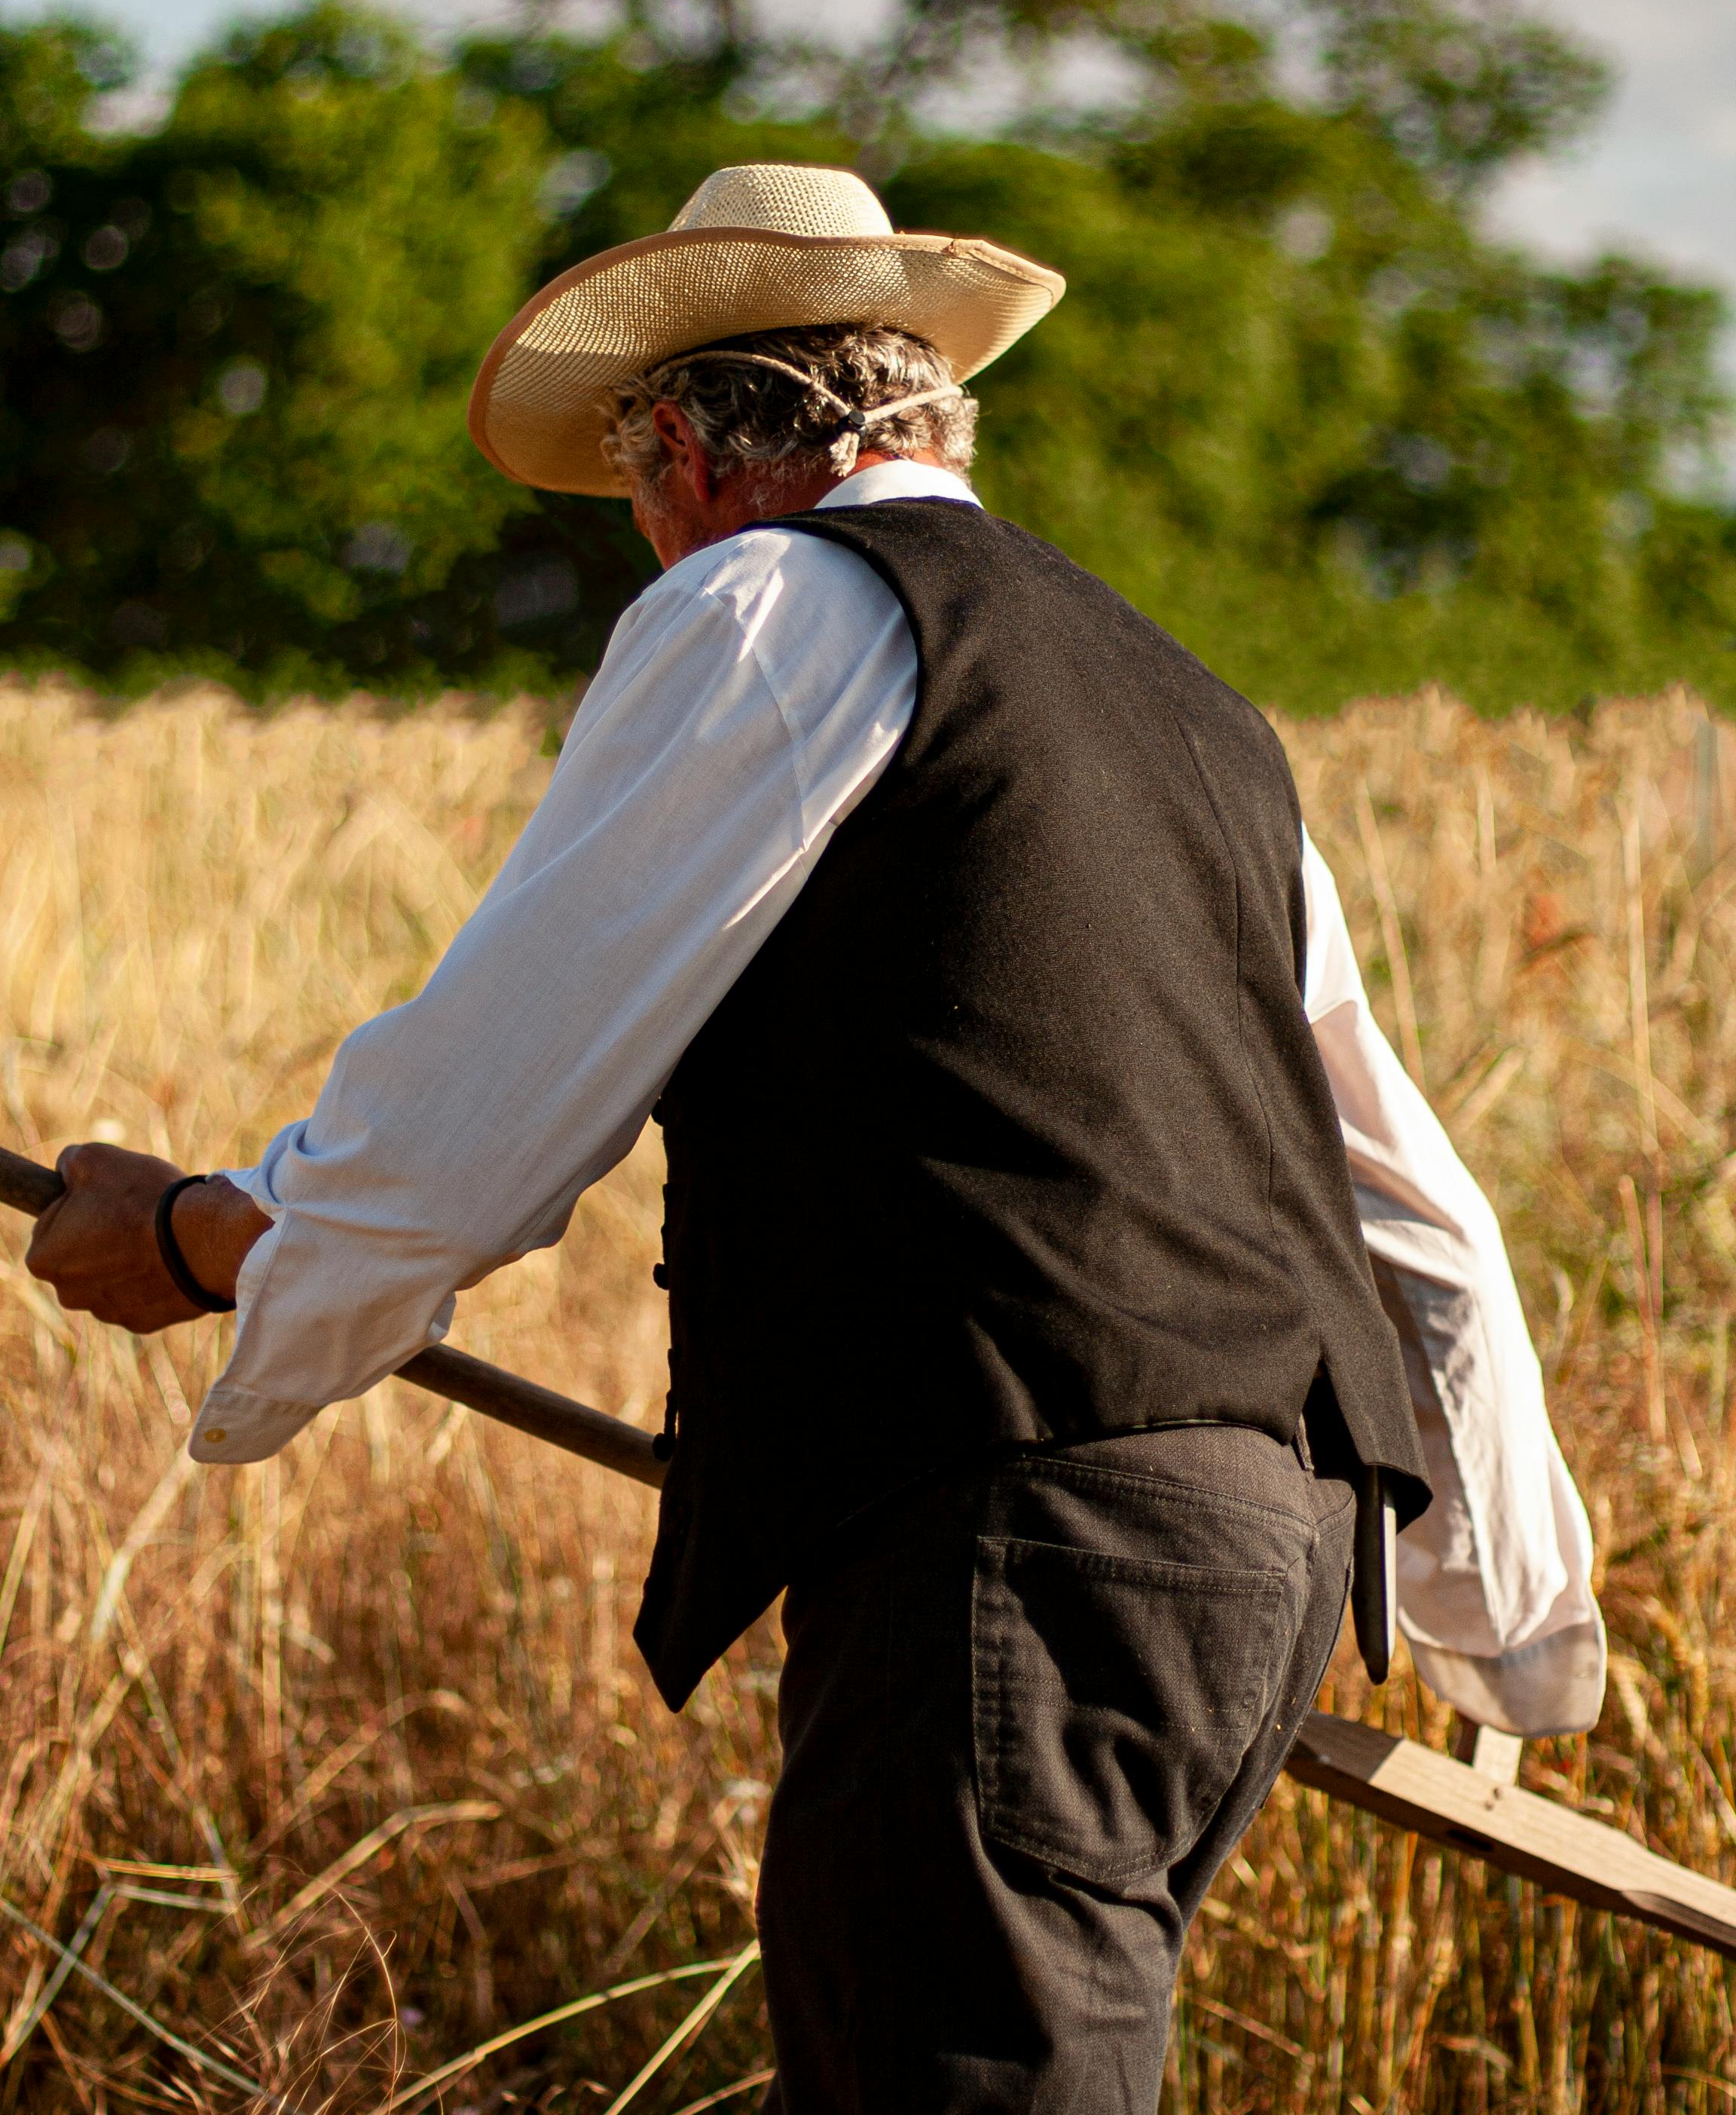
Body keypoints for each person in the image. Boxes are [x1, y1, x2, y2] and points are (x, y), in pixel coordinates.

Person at [27, 165, 1602, 2113]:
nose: (648, 556)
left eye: (631, 509)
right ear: (930, 418)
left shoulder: (769, 602)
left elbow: (497, 1095)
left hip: (1021, 1523)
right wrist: (1506, 1625)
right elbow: (1419, 1214)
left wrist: (208, 1242)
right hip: (1267, 1555)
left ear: (684, 452)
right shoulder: (1206, 717)